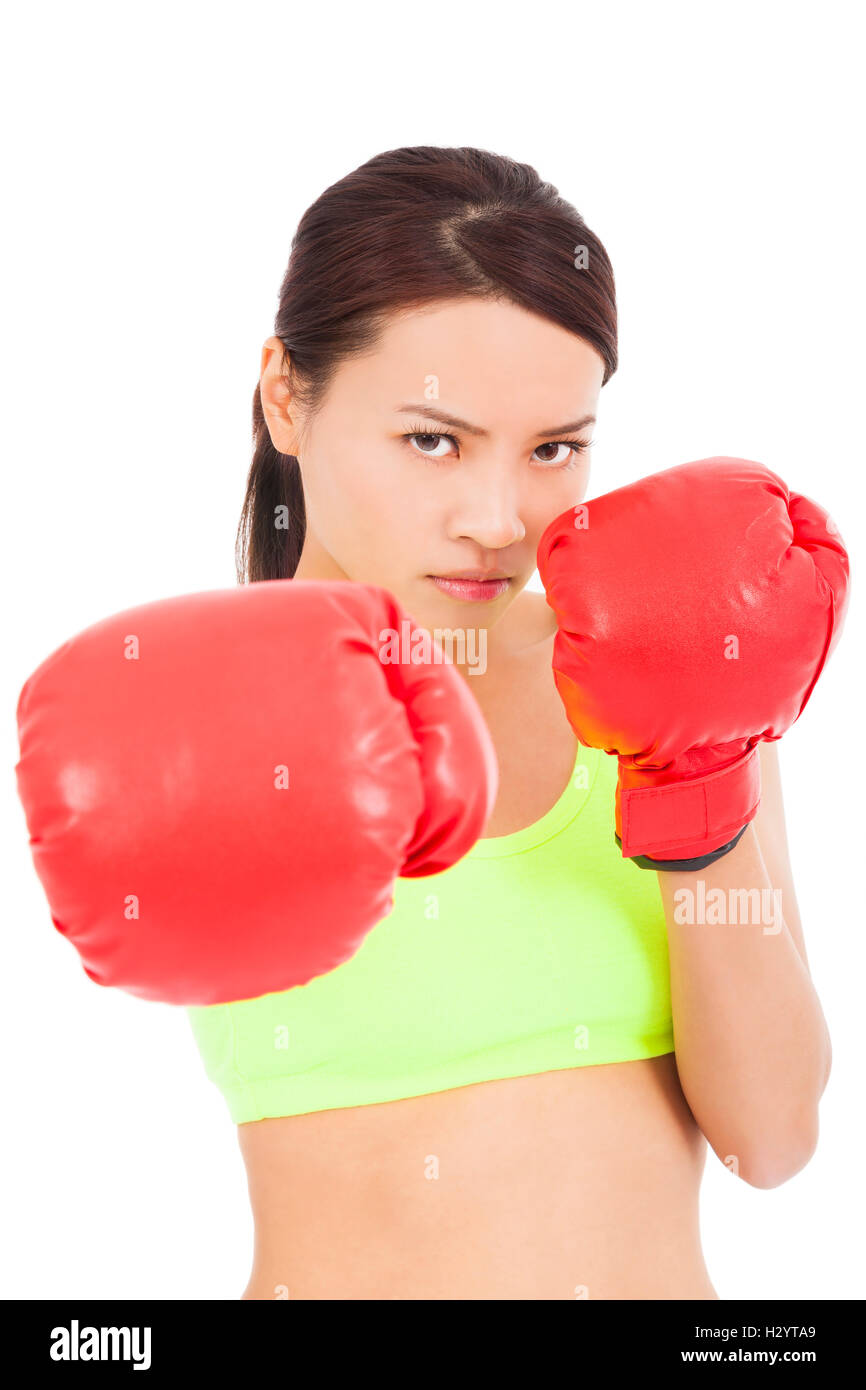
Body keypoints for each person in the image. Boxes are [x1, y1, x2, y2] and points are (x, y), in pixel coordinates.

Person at [181, 145, 840, 1300]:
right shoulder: (193, 714)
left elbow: (771, 1140)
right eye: (432, 439)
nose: (497, 518)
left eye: (554, 448)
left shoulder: (658, 675)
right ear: (287, 394)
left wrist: (692, 779)